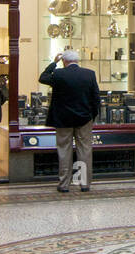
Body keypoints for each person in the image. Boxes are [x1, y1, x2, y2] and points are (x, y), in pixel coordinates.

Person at [39, 48, 101, 194]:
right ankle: (84, 183)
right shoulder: (89, 74)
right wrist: (92, 115)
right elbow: (96, 97)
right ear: (77, 60)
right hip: (84, 118)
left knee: (64, 150)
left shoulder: (59, 74)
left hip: (63, 119)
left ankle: (64, 184)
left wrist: (53, 63)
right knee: (84, 150)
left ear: (64, 61)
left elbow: (43, 77)